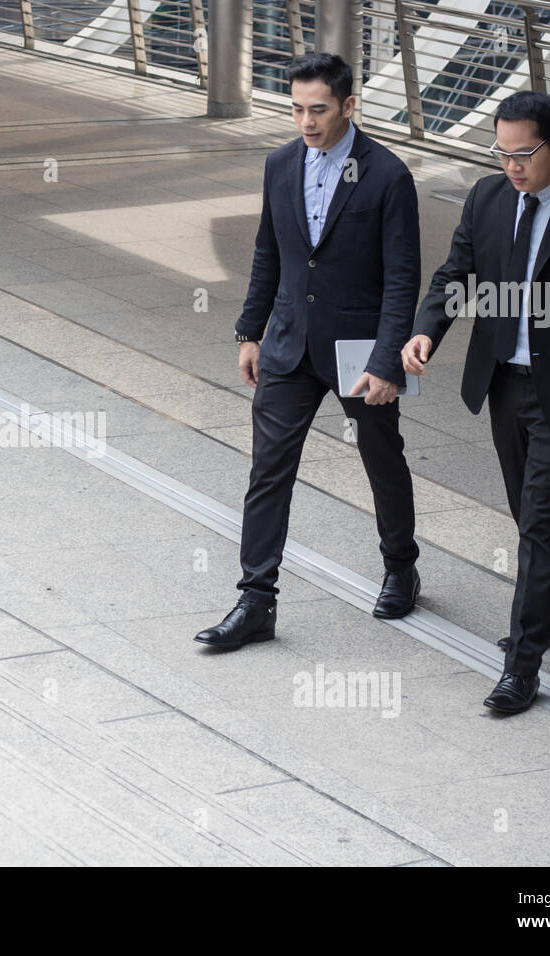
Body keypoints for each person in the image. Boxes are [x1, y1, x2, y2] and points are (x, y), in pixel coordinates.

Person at [402, 90, 550, 714]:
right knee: (527, 509)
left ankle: (521, 666)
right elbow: (455, 272)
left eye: (523, 154)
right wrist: (429, 327)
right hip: (504, 379)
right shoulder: (486, 197)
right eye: (501, 153)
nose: (511, 167)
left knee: (536, 517)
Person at [195, 52, 421, 650]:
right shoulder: (280, 164)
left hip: (359, 349)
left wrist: (387, 361)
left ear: (349, 105)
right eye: (296, 109)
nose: (306, 122)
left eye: (318, 109)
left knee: (382, 459)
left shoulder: (388, 176)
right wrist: (250, 331)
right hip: (288, 345)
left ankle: (401, 566)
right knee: (268, 470)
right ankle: (255, 599)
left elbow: (403, 277)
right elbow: (269, 251)